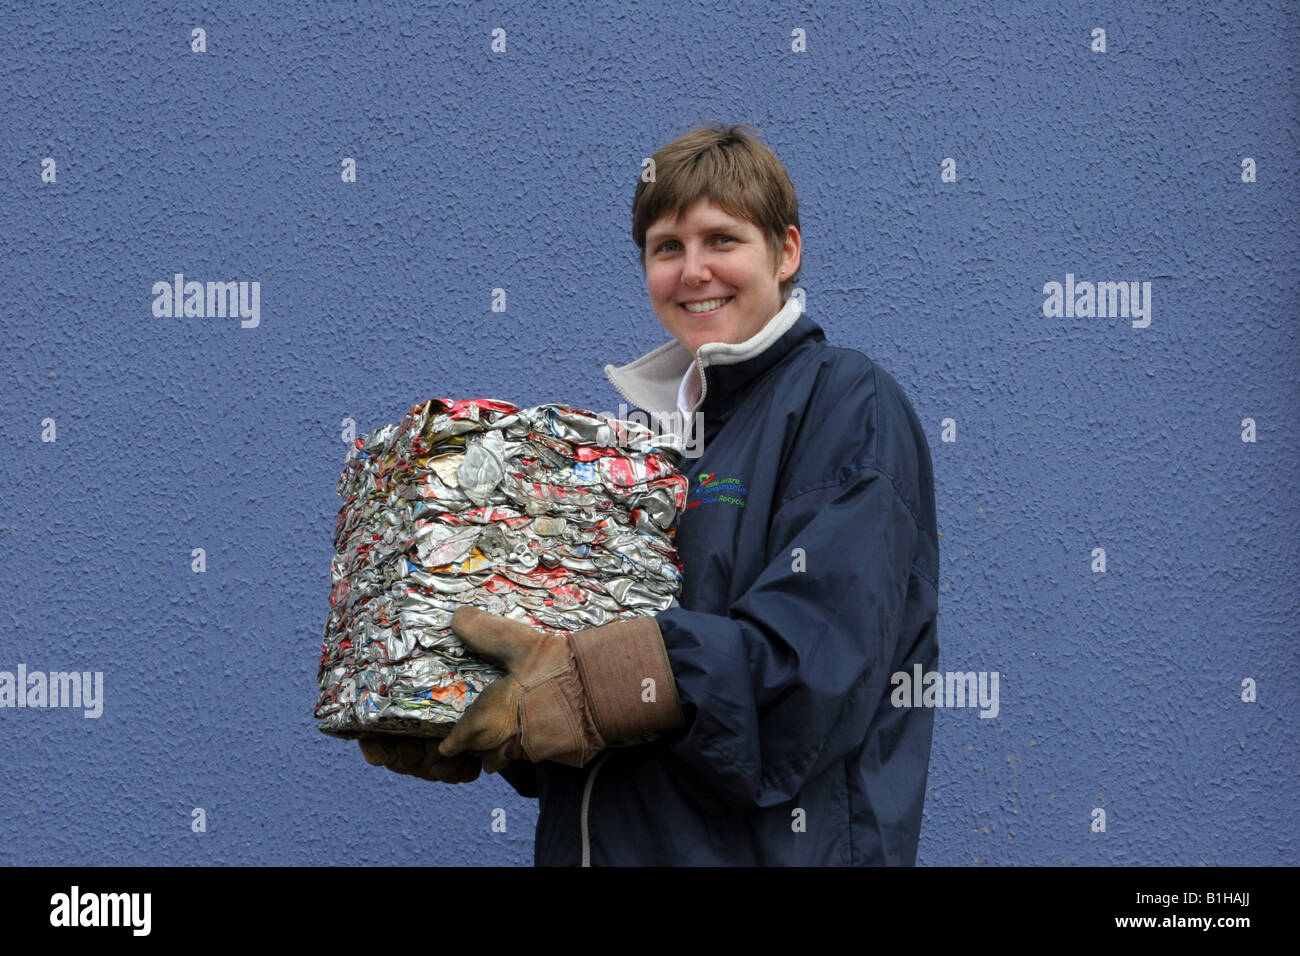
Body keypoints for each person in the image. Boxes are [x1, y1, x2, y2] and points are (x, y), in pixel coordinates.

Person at [359, 123, 939, 866]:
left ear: (786, 252)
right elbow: (620, 720)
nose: (694, 270)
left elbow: (808, 669)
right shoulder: (646, 450)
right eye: (668, 247)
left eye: (721, 240)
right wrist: (485, 723)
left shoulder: (845, 404)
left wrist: (594, 685)